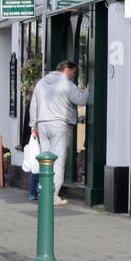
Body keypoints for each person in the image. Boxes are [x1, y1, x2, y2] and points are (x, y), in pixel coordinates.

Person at [29, 59, 88, 205]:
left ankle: (44, 193)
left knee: (45, 162)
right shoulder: (67, 84)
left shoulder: (41, 83)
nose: (73, 76)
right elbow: (81, 100)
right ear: (67, 70)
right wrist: (88, 89)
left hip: (42, 126)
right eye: (73, 73)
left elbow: (33, 106)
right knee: (58, 161)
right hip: (59, 126)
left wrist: (33, 126)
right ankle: (53, 196)